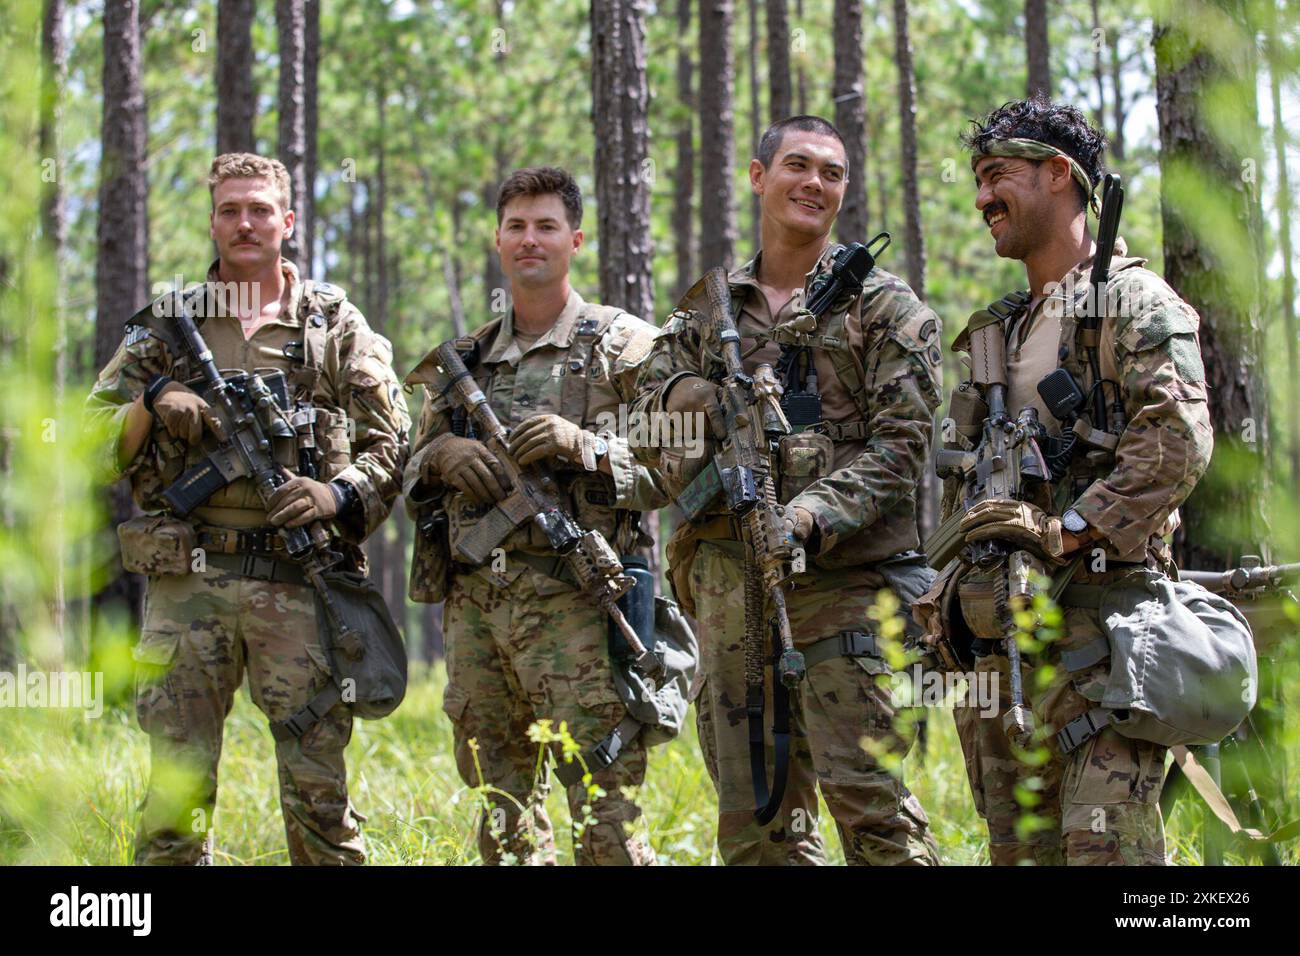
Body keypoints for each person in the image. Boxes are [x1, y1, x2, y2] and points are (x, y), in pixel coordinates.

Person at [629, 116, 944, 865]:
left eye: (831, 173)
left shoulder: (886, 309)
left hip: (848, 593)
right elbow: (643, 423)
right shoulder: (707, 313)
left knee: (875, 815)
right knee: (757, 825)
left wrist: (808, 512)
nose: (814, 183)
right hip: (729, 596)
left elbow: (903, 448)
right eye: (797, 165)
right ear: (758, 176)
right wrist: (699, 399)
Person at [86, 152, 410, 865]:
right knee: (173, 804)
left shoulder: (333, 324)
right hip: (187, 585)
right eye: (230, 210)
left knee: (319, 797)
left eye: (260, 209)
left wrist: (334, 492)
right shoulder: (165, 330)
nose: (245, 223)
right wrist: (151, 400)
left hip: (298, 580)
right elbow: (87, 439)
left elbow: (392, 443)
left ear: (287, 222)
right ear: (212, 223)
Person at [934, 97, 1214, 864]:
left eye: (999, 176)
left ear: (1060, 175)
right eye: (978, 179)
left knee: (1105, 855)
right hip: (1007, 659)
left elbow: (1177, 440)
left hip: (1102, 645)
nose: (983, 197)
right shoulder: (998, 332)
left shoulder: (1133, 303)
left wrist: (1072, 529)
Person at [404, 166, 667, 865]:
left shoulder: (626, 346)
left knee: (606, 819)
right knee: (504, 820)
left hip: (582, 610)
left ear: (574, 239)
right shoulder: (465, 362)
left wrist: (582, 445)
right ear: (498, 241)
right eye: (516, 226)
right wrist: (443, 456)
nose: (530, 239)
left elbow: (677, 469)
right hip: (479, 616)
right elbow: (405, 475)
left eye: (546, 225)